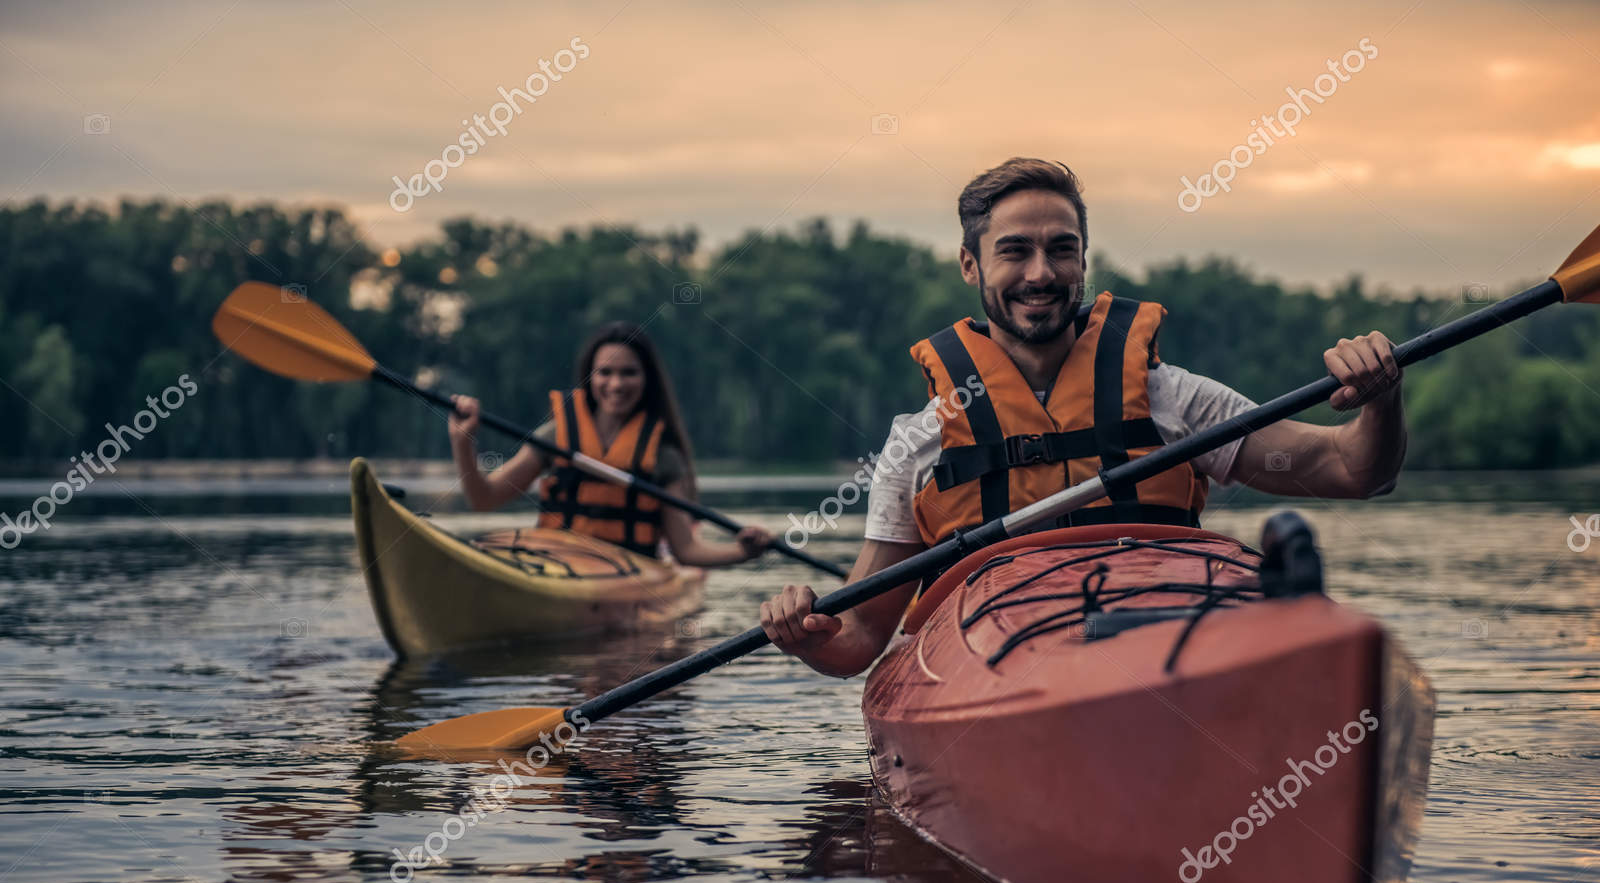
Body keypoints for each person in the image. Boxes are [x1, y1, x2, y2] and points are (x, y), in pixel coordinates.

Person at [762, 156, 1407, 676]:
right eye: (1014, 251)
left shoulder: (1173, 401)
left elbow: (1352, 469)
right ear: (971, 265)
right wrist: (804, 633)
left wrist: (1380, 398)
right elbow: (859, 638)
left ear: (1083, 263)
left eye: (1061, 250)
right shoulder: (918, 444)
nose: (1041, 273)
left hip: (1166, 632)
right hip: (996, 662)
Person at [449, 321, 772, 566]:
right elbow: (483, 499)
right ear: (590, 378)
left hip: (627, 573)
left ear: (647, 380)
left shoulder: (663, 456)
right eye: (605, 373)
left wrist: (744, 551)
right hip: (556, 563)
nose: (616, 384)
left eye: (628, 373)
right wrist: (463, 441)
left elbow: (686, 550)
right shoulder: (555, 436)